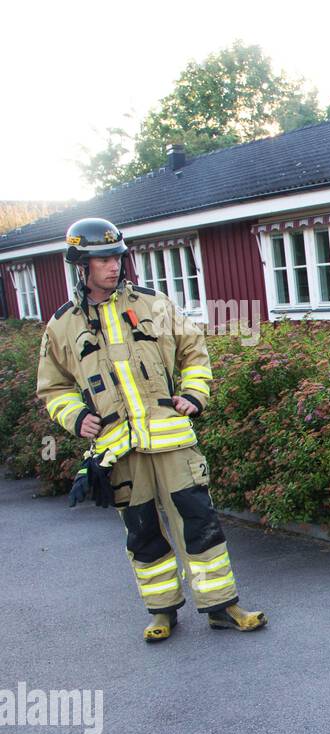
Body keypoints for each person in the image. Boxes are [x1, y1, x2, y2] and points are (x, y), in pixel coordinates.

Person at [35, 217, 266, 642]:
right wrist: (74, 417)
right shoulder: (62, 325)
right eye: (101, 259)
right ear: (80, 266)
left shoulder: (153, 305)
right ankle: (162, 612)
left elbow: (195, 353)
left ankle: (223, 605)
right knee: (142, 533)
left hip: (172, 441)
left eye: (117, 257)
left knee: (200, 523)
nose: (113, 266)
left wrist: (195, 395)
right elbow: (53, 388)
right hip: (118, 451)